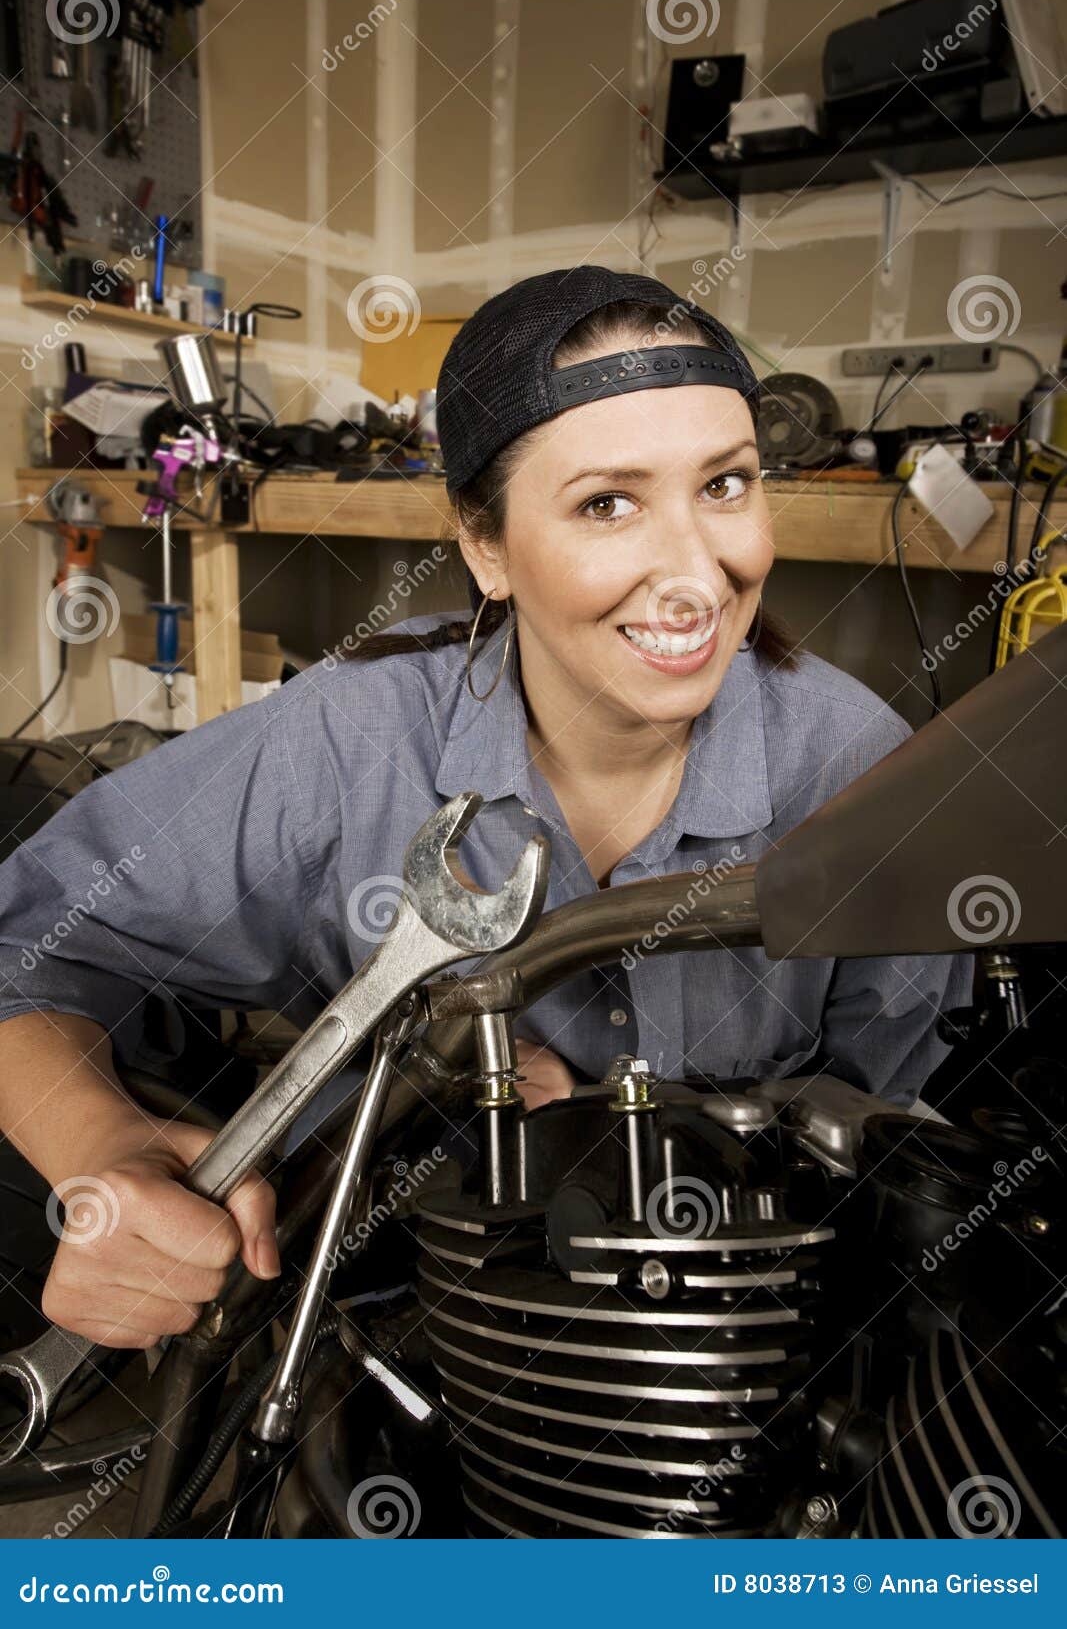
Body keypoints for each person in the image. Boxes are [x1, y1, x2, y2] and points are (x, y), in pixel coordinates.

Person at [0, 264, 973, 1352]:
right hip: (400, 1340)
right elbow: (26, 937)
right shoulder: (348, 740)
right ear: (483, 543)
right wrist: (103, 1152)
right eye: (607, 502)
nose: (695, 572)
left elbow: (904, 1155)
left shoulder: (861, 773)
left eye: (725, 484)